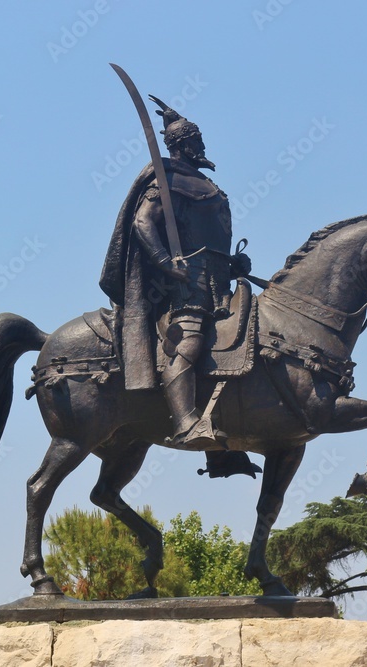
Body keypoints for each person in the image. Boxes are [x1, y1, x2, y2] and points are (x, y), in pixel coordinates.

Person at [99, 96, 258, 477]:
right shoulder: (164, 180)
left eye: (200, 139)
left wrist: (233, 262)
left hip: (220, 279)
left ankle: (225, 442)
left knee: (244, 340)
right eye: (196, 140)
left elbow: (208, 234)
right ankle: (187, 423)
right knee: (190, 339)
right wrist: (167, 263)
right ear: (182, 144)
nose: (202, 146)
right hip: (185, 284)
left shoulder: (204, 183)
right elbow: (143, 224)